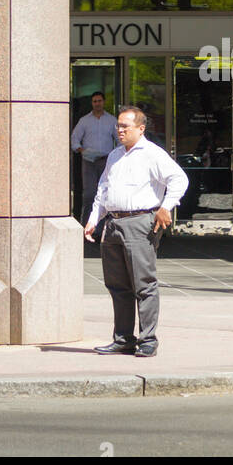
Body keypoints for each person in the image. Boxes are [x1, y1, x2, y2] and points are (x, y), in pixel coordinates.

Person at [85, 105, 189, 358]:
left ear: (140, 129)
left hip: (140, 222)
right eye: (118, 126)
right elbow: (103, 189)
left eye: (125, 126)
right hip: (113, 224)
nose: (119, 130)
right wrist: (93, 219)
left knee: (144, 284)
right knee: (117, 285)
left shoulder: (153, 154)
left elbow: (179, 179)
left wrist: (166, 207)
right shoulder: (115, 155)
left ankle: (148, 339)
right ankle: (123, 339)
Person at [71, 91, 118, 227]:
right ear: (92, 103)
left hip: (106, 161)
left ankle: (103, 228)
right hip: (89, 162)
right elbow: (75, 139)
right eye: (95, 101)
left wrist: (116, 155)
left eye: (99, 101)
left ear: (104, 102)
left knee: (107, 194)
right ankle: (86, 226)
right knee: (89, 195)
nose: (97, 104)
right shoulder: (84, 120)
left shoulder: (111, 120)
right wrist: (81, 150)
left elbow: (120, 140)